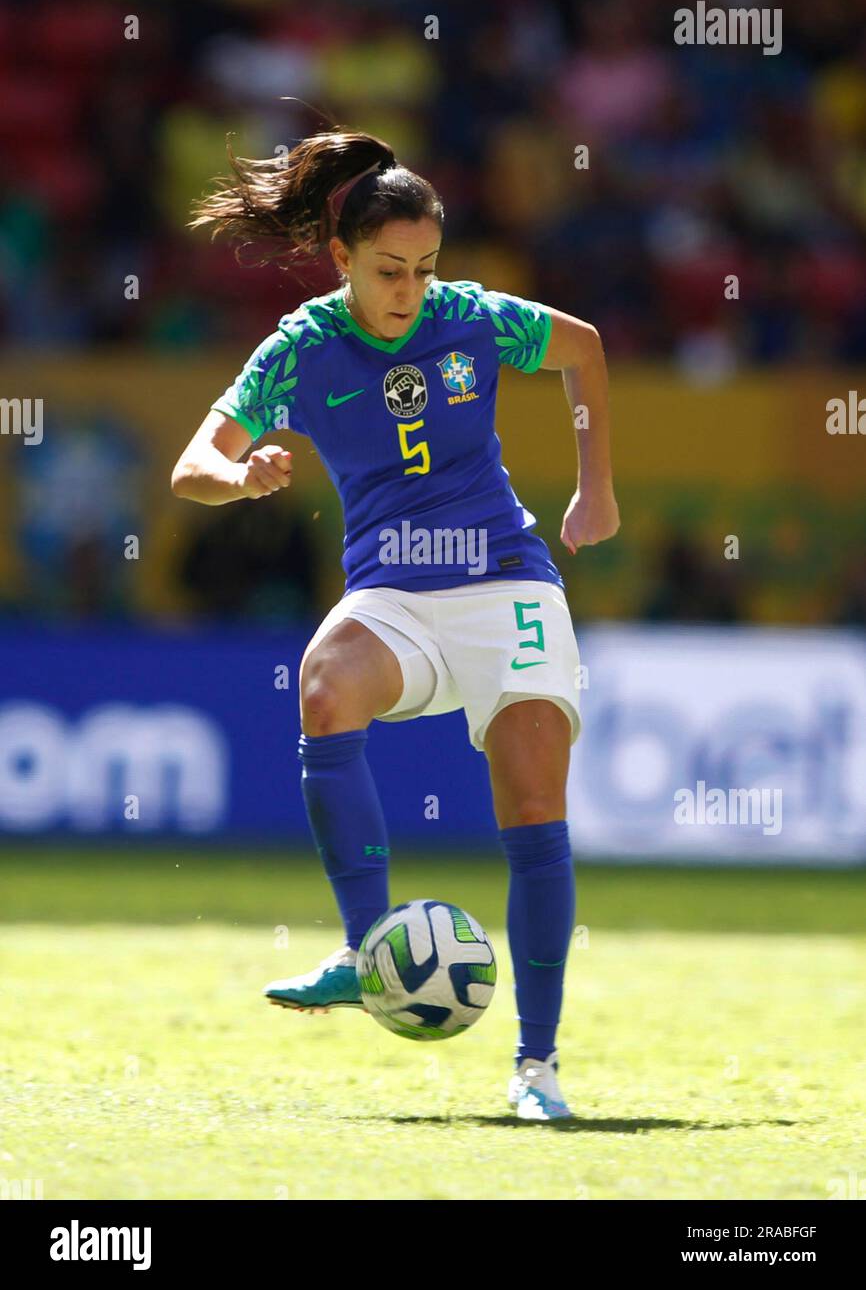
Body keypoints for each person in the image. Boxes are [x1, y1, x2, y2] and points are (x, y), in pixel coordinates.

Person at [171, 128, 620, 1120]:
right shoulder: (298, 348)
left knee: (533, 793)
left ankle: (535, 1069)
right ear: (341, 259)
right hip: (395, 591)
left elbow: (581, 348)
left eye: (423, 267)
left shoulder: (468, 318)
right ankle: (365, 945)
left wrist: (593, 490)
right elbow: (191, 464)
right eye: (387, 270)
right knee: (325, 685)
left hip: (506, 581)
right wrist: (239, 477)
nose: (409, 289)